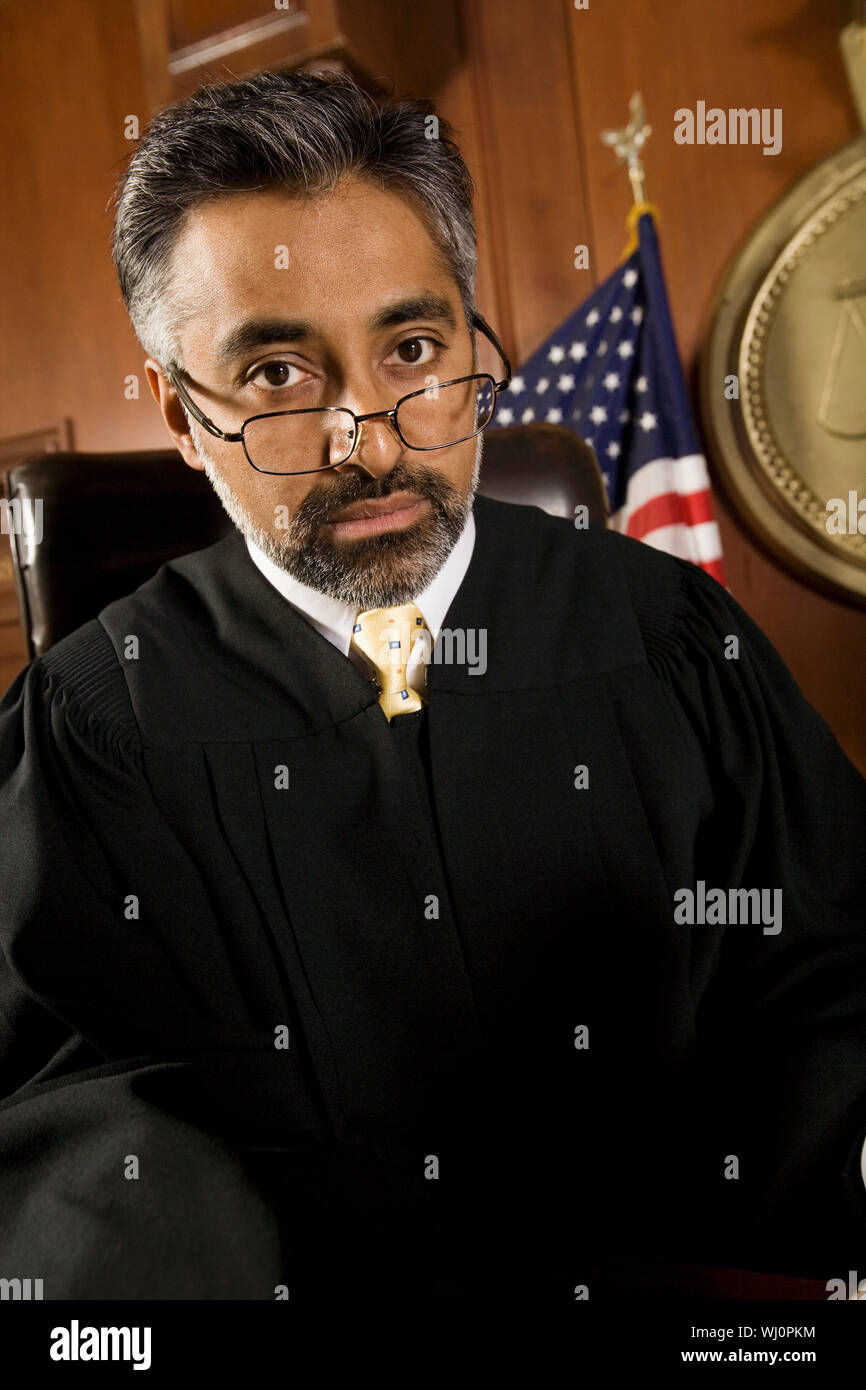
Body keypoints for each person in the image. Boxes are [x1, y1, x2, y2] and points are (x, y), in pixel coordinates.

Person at [1, 68, 865, 1305]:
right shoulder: (95, 732)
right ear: (179, 418)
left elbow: (827, 972)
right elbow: (47, 1115)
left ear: (472, 337)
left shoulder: (667, 636)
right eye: (277, 378)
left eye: (412, 349)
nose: (373, 439)